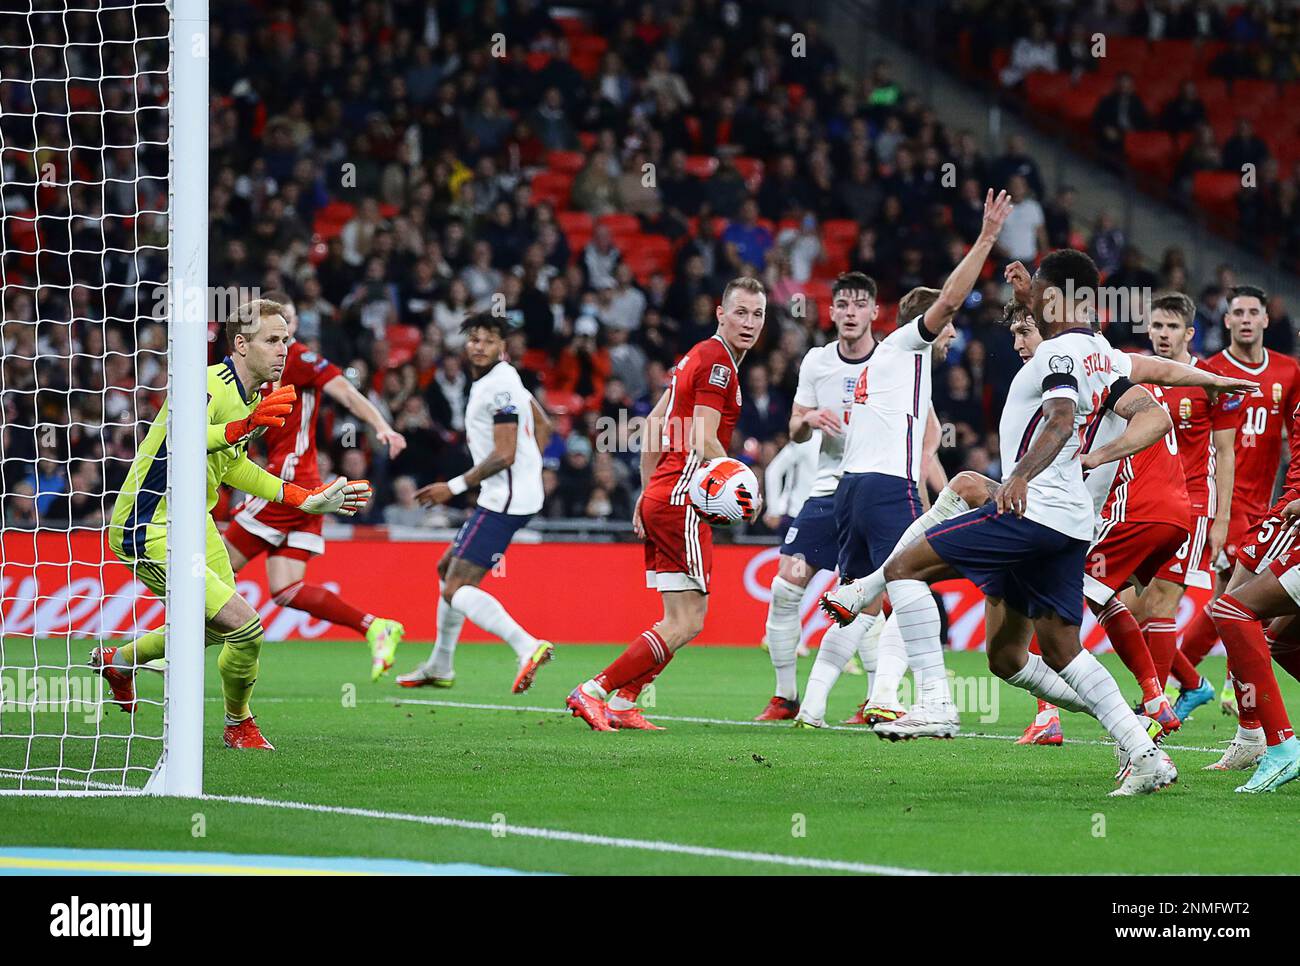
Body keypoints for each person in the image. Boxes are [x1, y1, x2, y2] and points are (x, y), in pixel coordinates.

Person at [95, 299, 371, 750]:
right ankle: (237, 725)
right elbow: (185, 437)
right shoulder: (206, 383)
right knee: (246, 627)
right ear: (240, 344)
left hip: (194, 521)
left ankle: (120, 661)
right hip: (150, 523)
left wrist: (304, 498)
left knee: (213, 628)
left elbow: (232, 467)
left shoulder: (255, 397)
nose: (284, 350)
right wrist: (242, 427)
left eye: (287, 340)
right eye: (273, 340)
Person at [798, 189, 1015, 737]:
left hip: (854, 489)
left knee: (860, 599)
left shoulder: (894, 367)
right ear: (926, 324)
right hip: (883, 488)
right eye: (946, 327)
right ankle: (923, 700)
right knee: (910, 583)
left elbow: (930, 443)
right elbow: (947, 300)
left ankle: (814, 705)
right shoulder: (905, 346)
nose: (952, 335)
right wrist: (987, 238)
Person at [566, 277, 767, 731]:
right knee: (687, 621)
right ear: (720, 313)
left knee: (679, 619)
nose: (749, 323)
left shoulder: (694, 356)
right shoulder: (720, 363)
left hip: (664, 492)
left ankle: (624, 702)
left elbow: (655, 424)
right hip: (685, 497)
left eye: (757, 315)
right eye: (740, 312)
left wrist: (645, 490)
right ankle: (594, 690)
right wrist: (743, 483)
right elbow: (701, 437)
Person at [223, 293, 409, 682]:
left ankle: (163, 651)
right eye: (274, 332)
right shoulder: (263, 367)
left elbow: (346, 392)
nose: (282, 341)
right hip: (306, 484)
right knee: (286, 588)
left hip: (288, 479)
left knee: (212, 568)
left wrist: (382, 426)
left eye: (286, 331)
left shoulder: (299, 357)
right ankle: (374, 626)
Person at [397, 314, 554, 693]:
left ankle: (526, 645)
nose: (478, 346)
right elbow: (545, 426)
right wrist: (530, 471)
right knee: (447, 566)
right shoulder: (506, 378)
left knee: (455, 588)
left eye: (488, 340)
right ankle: (441, 664)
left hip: (504, 499)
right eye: (474, 339)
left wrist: (451, 487)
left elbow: (504, 453)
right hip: (511, 493)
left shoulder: (498, 386)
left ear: (502, 345)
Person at [754, 272, 877, 721]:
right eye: (842, 304)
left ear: (873, 312)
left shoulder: (891, 362)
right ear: (833, 311)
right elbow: (794, 429)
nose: (849, 312)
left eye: (859, 304)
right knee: (786, 586)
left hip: (874, 488)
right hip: (828, 490)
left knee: (865, 597)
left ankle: (873, 699)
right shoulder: (817, 362)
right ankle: (785, 696)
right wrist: (810, 420)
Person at [1175, 285, 1300, 721]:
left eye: (1254, 312)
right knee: (1226, 605)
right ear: (1226, 321)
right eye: (1238, 312)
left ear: (1267, 319)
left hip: (1270, 508)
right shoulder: (1211, 372)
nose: (1246, 319)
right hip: (1220, 504)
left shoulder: (1289, 372)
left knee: (1233, 606)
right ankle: (1193, 683)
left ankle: (1203, 685)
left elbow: (1294, 441)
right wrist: (1217, 516)